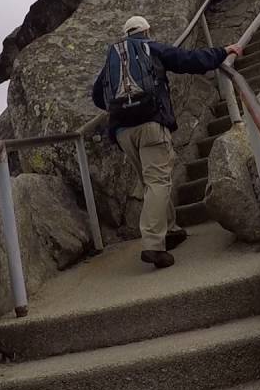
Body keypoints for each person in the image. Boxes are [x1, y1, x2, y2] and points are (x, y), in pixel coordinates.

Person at [92, 15, 244, 268]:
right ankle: (153, 245)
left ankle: (171, 229)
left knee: (151, 182)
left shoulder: (113, 60)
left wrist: (125, 106)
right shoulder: (152, 48)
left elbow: (98, 96)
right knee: (158, 181)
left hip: (122, 133)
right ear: (146, 31)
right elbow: (187, 60)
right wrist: (222, 52)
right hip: (152, 125)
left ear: (126, 34)